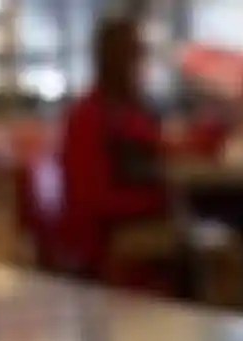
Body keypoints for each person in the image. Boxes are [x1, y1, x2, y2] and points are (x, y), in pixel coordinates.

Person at [61, 17, 173, 281]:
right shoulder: (91, 116)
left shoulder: (125, 111)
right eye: (138, 56)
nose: (144, 66)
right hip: (109, 237)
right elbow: (94, 199)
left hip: (127, 223)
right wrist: (159, 201)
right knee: (214, 248)